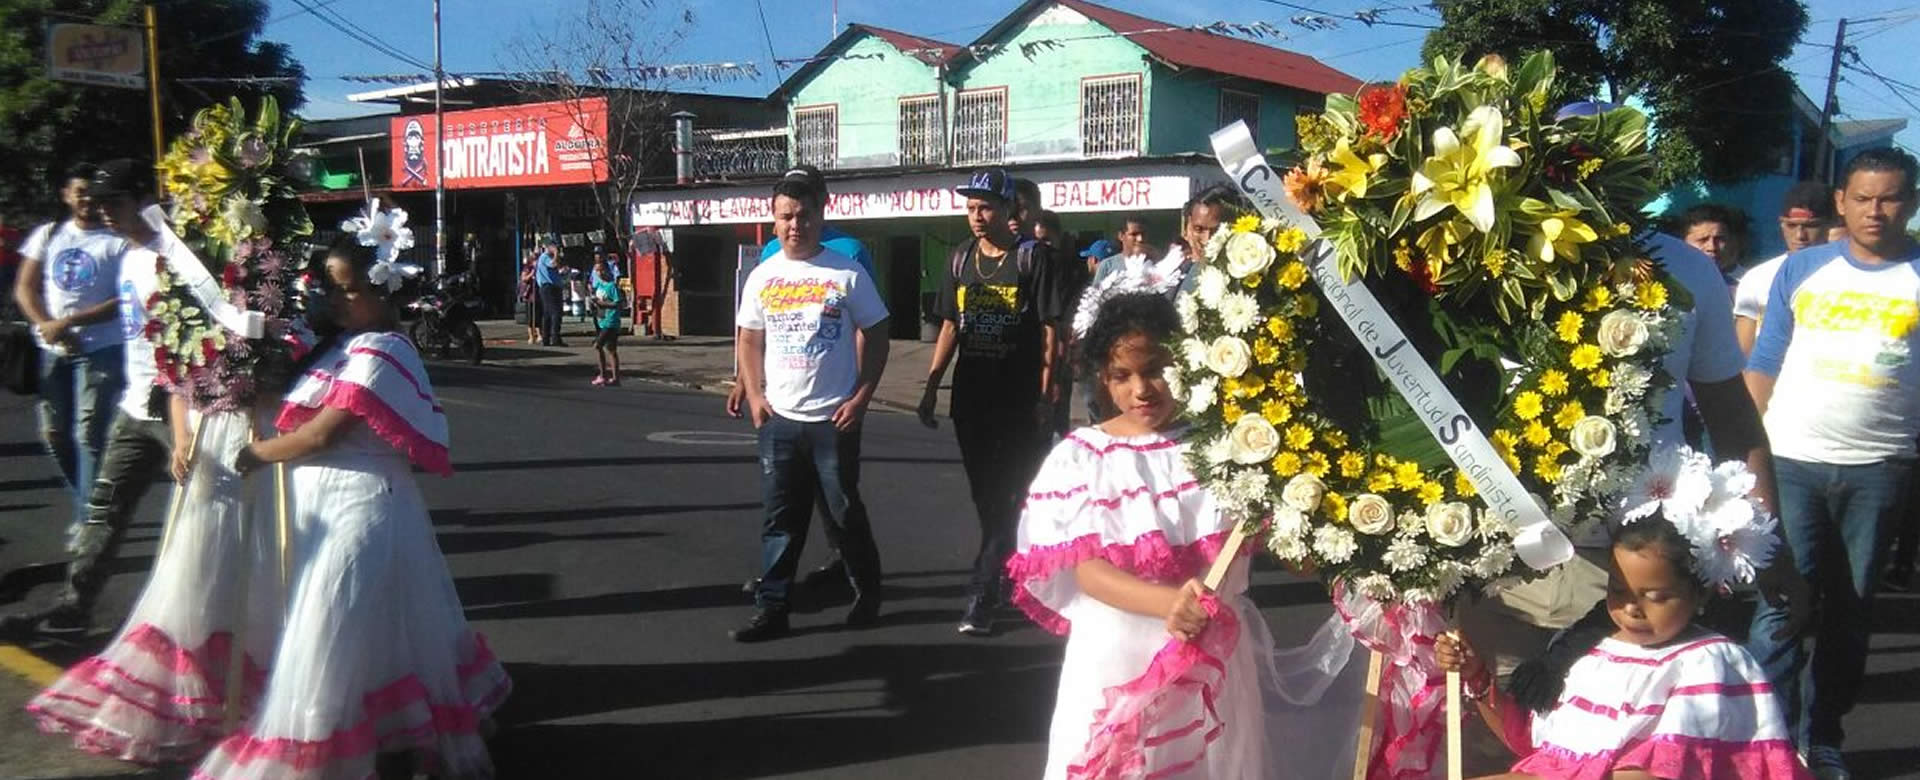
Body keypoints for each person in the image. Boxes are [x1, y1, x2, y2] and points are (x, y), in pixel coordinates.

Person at [1457, 230, 1810, 763]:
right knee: (1509, 745)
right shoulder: (1471, 252)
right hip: (1496, 564)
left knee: (1628, 755)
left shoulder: (1685, 268)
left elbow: (1733, 416)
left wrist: (1768, 540)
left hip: (1632, 571)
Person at [195, 240, 511, 779]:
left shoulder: (386, 351)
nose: (338, 300)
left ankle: (321, 752)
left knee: (329, 631)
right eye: (333, 289)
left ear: (383, 291)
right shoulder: (339, 346)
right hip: (324, 509)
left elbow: (321, 434)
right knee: (374, 635)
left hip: (360, 510)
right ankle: (392, 743)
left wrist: (253, 455)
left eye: (350, 289)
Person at [1013, 291, 1360, 779]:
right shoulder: (1081, 457)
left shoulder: (1224, 447)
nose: (1141, 389)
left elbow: (1282, 541)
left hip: (1215, 655)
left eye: (1155, 368)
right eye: (1121, 376)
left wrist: (1352, 552)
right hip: (1120, 655)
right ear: (1101, 379)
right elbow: (1088, 572)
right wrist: (1168, 604)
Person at [25, 162, 283, 762]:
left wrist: (189, 425)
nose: (106, 211)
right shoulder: (127, 258)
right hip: (137, 406)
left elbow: (205, 337)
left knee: (207, 528)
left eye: (117, 200)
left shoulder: (180, 257)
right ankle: (76, 599)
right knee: (105, 506)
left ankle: (229, 635)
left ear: (145, 201)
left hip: (189, 412)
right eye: (101, 201)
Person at [1435, 464, 1807, 780]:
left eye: (1656, 596)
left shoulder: (1707, 662)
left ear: (1702, 593)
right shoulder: (1582, 650)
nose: (1632, 608)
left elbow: (1668, 769)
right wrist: (1478, 679)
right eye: (1618, 591)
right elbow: (1532, 742)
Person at [1744, 147, 1920, 779]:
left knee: (1851, 610)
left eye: (1892, 197)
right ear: (1841, 202)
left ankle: (1825, 740)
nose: (1877, 210)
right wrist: (1740, 454)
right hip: (1791, 460)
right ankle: (1770, 742)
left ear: (1912, 202)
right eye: (1864, 197)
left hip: (1882, 468)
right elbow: (1764, 360)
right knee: (1780, 606)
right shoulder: (1803, 270)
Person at [731, 168, 890, 642]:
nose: (794, 226)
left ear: (821, 216)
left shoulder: (847, 272)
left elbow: (878, 334)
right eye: (785, 217)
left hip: (833, 422)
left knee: (843, 512)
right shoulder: (764, 275)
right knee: (780, 521)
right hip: (779, 421)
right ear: (774, 221)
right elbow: (749, 339)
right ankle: (773, 608)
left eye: (803, 216)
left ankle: (867, 593)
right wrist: (755, 394)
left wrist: (861, 397)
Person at [918, 168, 1067, 636]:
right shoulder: (960, 260)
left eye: (985, 208)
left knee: (1010, 492)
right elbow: (949, 327)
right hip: (971, 397)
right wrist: (930, 386)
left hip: (1018, 398)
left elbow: (1050, 331)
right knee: (988, 495)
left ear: (1007, 210)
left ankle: (981, 592)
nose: (977, 217)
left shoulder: (1032, 259)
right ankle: (1007, 567)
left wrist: (1046, 394)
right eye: (970, 208)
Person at [12, 162, 129, 549]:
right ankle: (89, 506)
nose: (87, 200)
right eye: (80, 191)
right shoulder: (48, 235)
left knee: (89, 435)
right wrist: (48, 324)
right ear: (66, 194)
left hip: (102, 348)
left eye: (93, 192)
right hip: (53, 348)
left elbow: (126, 297)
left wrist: (74, 320)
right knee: (53, 433)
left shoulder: (118, 239)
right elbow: (25, 289)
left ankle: (89, 524)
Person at [1734, 181, 1835, 355]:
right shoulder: (1757, 278)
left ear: (1830, 225)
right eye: (1791, 225)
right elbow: (1743, 351)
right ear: (1781, 223)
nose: (1800, 236)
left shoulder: (1845, 275)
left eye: (1811, 226)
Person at [1671, 202, 1750, 284]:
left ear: (1733, 241)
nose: (1712, 247)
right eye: (1703, 240)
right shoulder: (1671, 283)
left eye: (1720, 239)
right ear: (1683, 243)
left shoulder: (1753, 284)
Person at [591, 252, 622, 387]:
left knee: (597, 346)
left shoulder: (611, 286)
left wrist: (602, 304)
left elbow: (618, 303)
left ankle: (603, 375)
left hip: (611, 322)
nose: (599, 272)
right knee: (611, 349)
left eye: (602, 269)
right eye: (597, 270)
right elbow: (597, 300)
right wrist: (594, 303)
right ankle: (616, 378)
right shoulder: (599, 286)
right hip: (601, 320)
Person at [535, 241, 564, 346]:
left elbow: (556, 267)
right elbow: (553, 264)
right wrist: (555, 253)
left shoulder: (548, 257)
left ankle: (546, 338)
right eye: (554, 247)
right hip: (548, 287)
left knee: (547, 313)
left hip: (553, 286)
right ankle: (555, 338)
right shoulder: (545, 256)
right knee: (555, 312)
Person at [518, 250, 539, 344]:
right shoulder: (528, 268)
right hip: (530, 295)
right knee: (531, 318)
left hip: (538, 295)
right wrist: (531, 274)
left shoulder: (540, 268)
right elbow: (524, 278)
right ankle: (531, 336)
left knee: (538, 316)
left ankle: (539, 335)